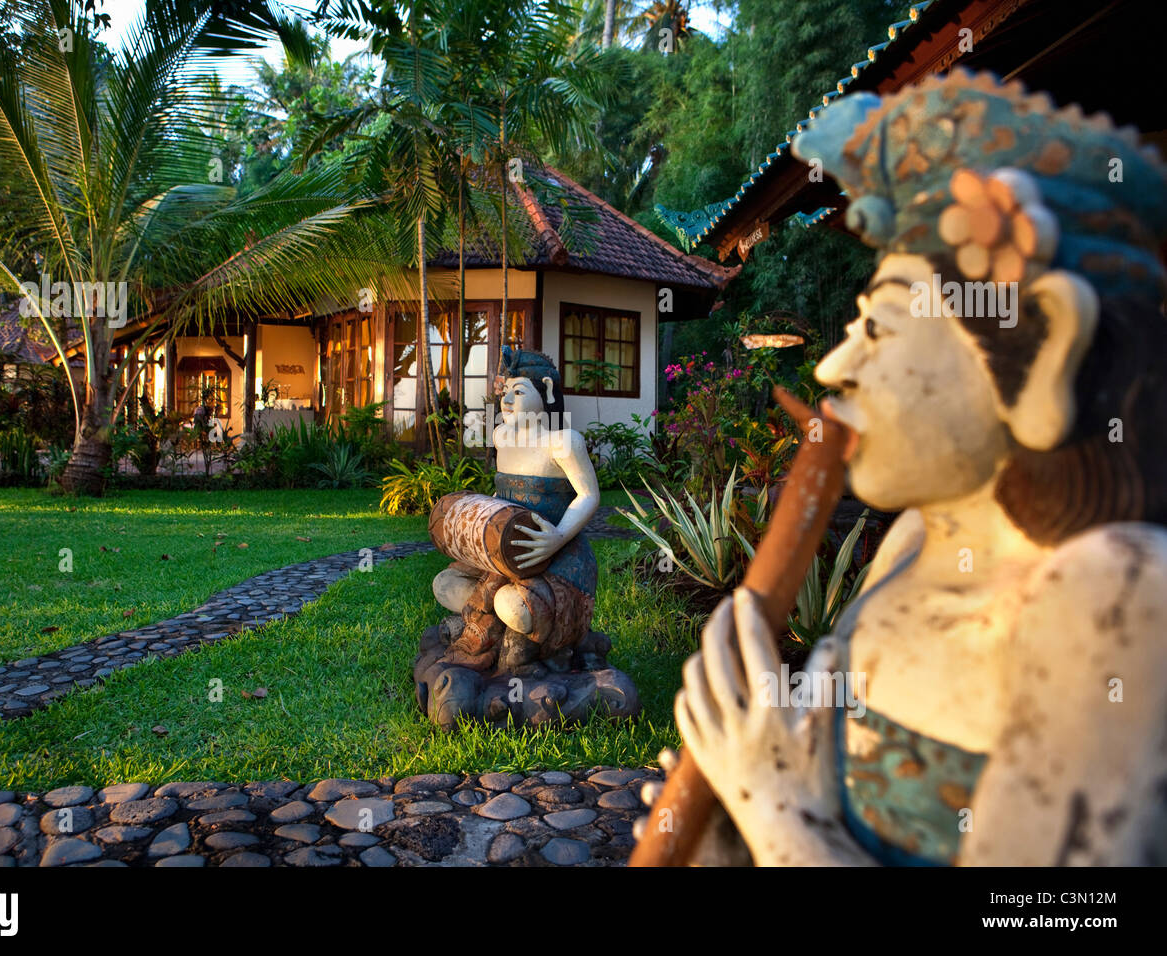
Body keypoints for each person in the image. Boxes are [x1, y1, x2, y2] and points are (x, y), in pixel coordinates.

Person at [641, 69, 1167, 865]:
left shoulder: (1117, 594)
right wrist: (730, 828)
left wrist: (773, 804)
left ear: (1050, 346)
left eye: (880, 331)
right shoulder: (915, 541)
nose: (832, 370)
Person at [431, 347, 601, 672]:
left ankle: (533, 638)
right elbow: (501, 495)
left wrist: (559, 536)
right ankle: (499, 631)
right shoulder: (502, 437)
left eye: (519, 391)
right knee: (444, 584)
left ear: (547, 391)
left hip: (555, 557)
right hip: (505, 554)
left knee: (511, 605)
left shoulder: (563, 442)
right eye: (505, 391)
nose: (507, 400)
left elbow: (589, 496)